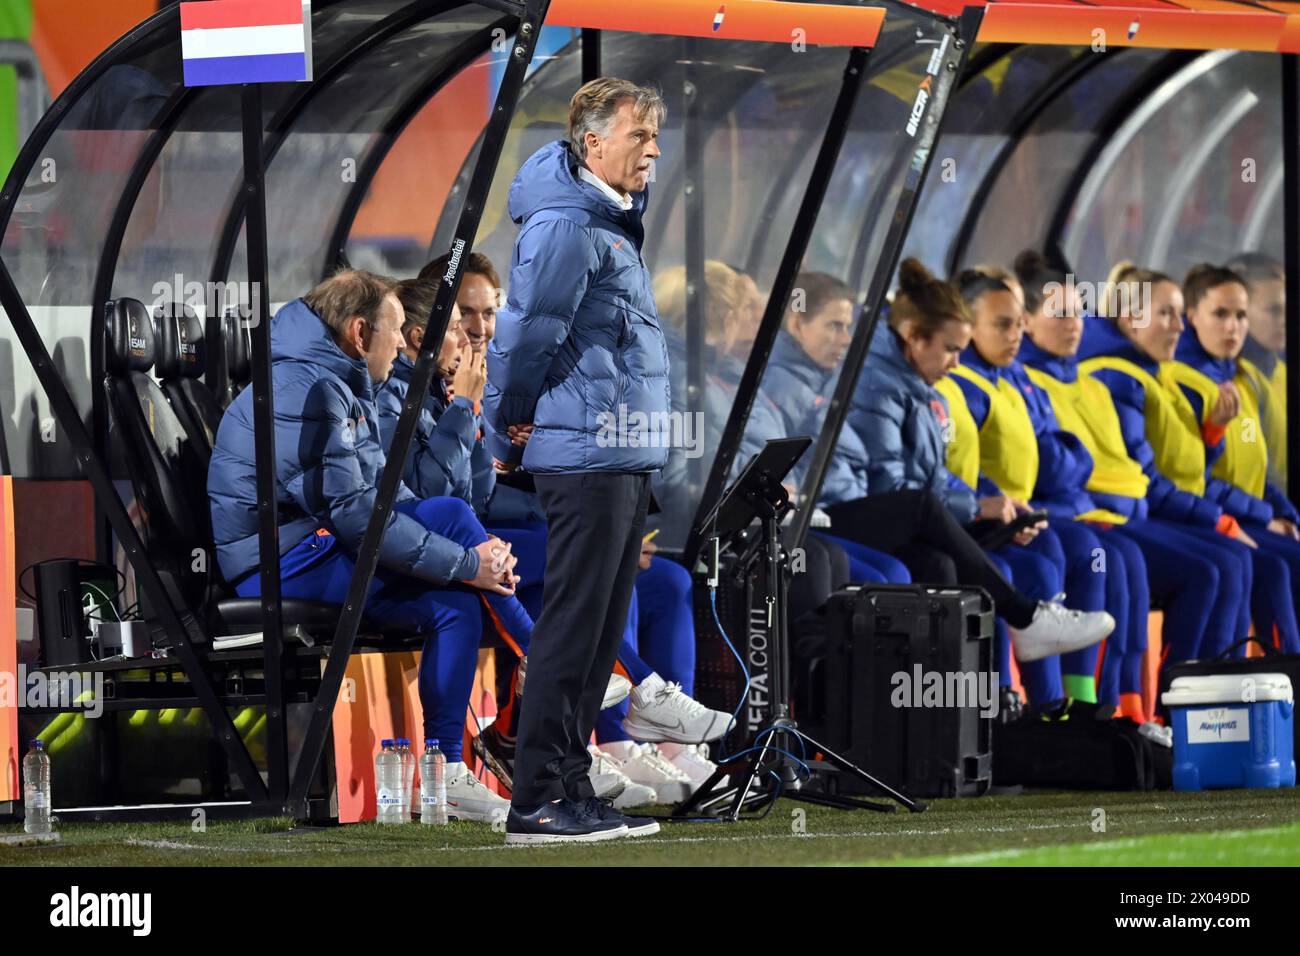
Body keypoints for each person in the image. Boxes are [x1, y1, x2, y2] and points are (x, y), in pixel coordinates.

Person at [207, 268, 526, 822]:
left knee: (453, 603)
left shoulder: (340, 383)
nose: (403, 344)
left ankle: (446, 770)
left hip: (316, 545)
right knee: (452, 532)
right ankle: (539, 655)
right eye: (396, 331)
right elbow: (358, 516)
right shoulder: (308, 388)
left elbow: (390, 497)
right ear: (360, 332)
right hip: (280, 563)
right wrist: (466, 560)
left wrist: (471, 565)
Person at [483, 77, 670, 844]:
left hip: (615, 449)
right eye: (640, 135)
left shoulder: (606, 220)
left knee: (597, 631)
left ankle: (572, 786)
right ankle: (536, 799)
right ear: (593, 144)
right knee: (573, 627)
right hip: (585, 452)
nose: (654, 149)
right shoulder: (566, 225)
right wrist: (509, 423)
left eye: (656, 136)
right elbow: (525, 336)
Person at [755, 267, 1113, 663]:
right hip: (827, 515)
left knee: (940, 563)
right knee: (922, 509)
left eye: (848, 327)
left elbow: (929, 473)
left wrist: (985, 506)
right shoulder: (867, 386)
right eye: (949, 349)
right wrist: (974, 508)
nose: (957, 363)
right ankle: (1024, 616)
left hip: (857, 507)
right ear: (912, 336)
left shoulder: (906, 386)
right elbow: (891, 486)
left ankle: (938, 706)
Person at [1013, 251, 1244, 677]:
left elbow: (1161, 466)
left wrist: (1213, 437)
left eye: (1079, 311)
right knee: (1124, 563)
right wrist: (1224, 516)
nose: (1073, 323)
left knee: (1226, 564)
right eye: (1060, 313)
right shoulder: (1098, 378)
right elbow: (1067, 470)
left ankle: (1211, 701)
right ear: (1025, 320)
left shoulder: (1115, 382)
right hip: (1092, 517)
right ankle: (1123, 711)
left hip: (1130, 512)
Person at [1079, 261, 1297, 656]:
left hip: (1169, 510)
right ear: (1131, 319)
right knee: (1228, 566)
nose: (1179, 326)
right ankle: (1191, 698)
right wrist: (1229, 518)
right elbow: (1153, 478)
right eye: (1167, 314)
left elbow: (1200, 467)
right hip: (1126, 517)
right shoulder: (1127, 378)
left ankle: (1227, 693)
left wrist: (1212, 437)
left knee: (1234, 564)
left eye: (1241, 315)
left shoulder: (1174, 375)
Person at [1167, 262, 1300, 646]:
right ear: (1191, 317)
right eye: (1220, 314)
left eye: (1240, 316)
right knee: (1274, 566)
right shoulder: (1185, 382)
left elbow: (1256, 470)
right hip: (1213, 517)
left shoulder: (1242, 377)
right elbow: (1197, 478)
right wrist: (1263, 516)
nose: (1233, 327)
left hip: (1247, 513)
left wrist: (1284, 512)